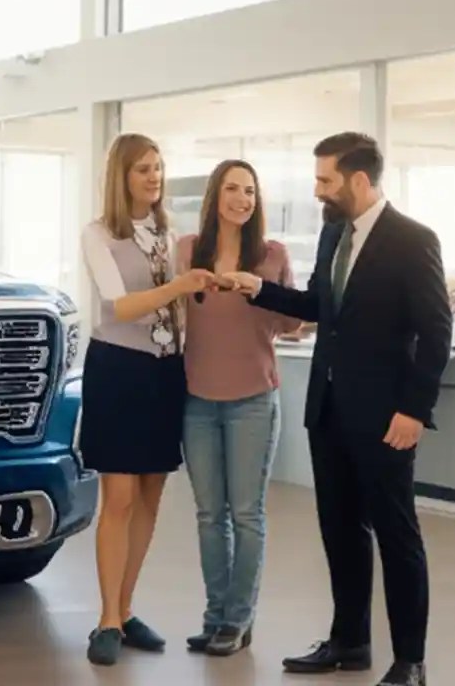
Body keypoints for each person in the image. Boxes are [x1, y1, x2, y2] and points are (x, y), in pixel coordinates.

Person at [223, 132, 451, 686]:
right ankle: (349, 642)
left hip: (386, 418)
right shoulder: (333, 234)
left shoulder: (413, 239)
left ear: (359, 180)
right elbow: (320, 307)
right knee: (341, 531)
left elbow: (436, 330)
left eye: (326, 180)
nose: (318, 190)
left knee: (397, 535)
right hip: (328, 411)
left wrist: (414, 410)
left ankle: (411, 661)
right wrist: (259, 288)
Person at [78, 133, 217, 666]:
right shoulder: (98, 234)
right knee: (118, 497)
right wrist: (179, 287)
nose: (154, 177)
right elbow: (120, 305)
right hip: (118, 370)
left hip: (164, 371)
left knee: (151, 496)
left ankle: (125, 608)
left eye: (158, 167)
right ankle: (106, 619)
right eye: (143, 169)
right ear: (122, 176)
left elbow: (181, 309)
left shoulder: (168, 233)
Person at [176, 159, 302, 657]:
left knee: (246, 514)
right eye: (232, 189)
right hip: (197, 400)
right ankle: (215, 617)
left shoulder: (272, 255)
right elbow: (171, 313)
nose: (242, 199)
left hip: (253, 398)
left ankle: (238, 618)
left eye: (249, 191)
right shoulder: (188, 251)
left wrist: (259, 290)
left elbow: (293, 323)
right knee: (210, 515)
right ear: (216, 196)